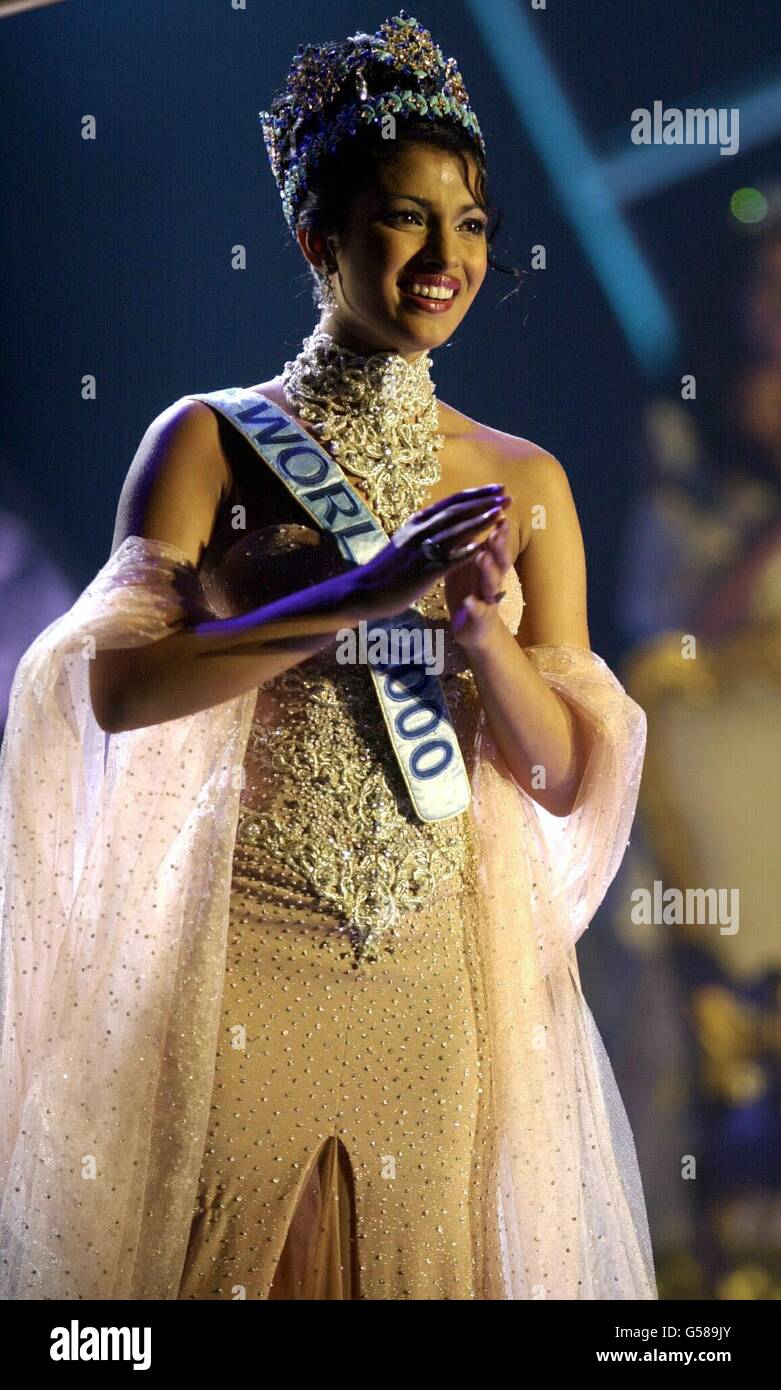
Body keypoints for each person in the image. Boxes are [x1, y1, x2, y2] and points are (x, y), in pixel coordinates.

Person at [0, 12, 656, 1300]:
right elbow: (117, 692)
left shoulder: (524, 481)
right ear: (321, 238)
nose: (444, 255)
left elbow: (571, 775)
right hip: (246, 954)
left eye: (468, 224)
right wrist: (369, 587)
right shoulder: (208, 442)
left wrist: (479, 637)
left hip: (433, 975)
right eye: (406, 217)